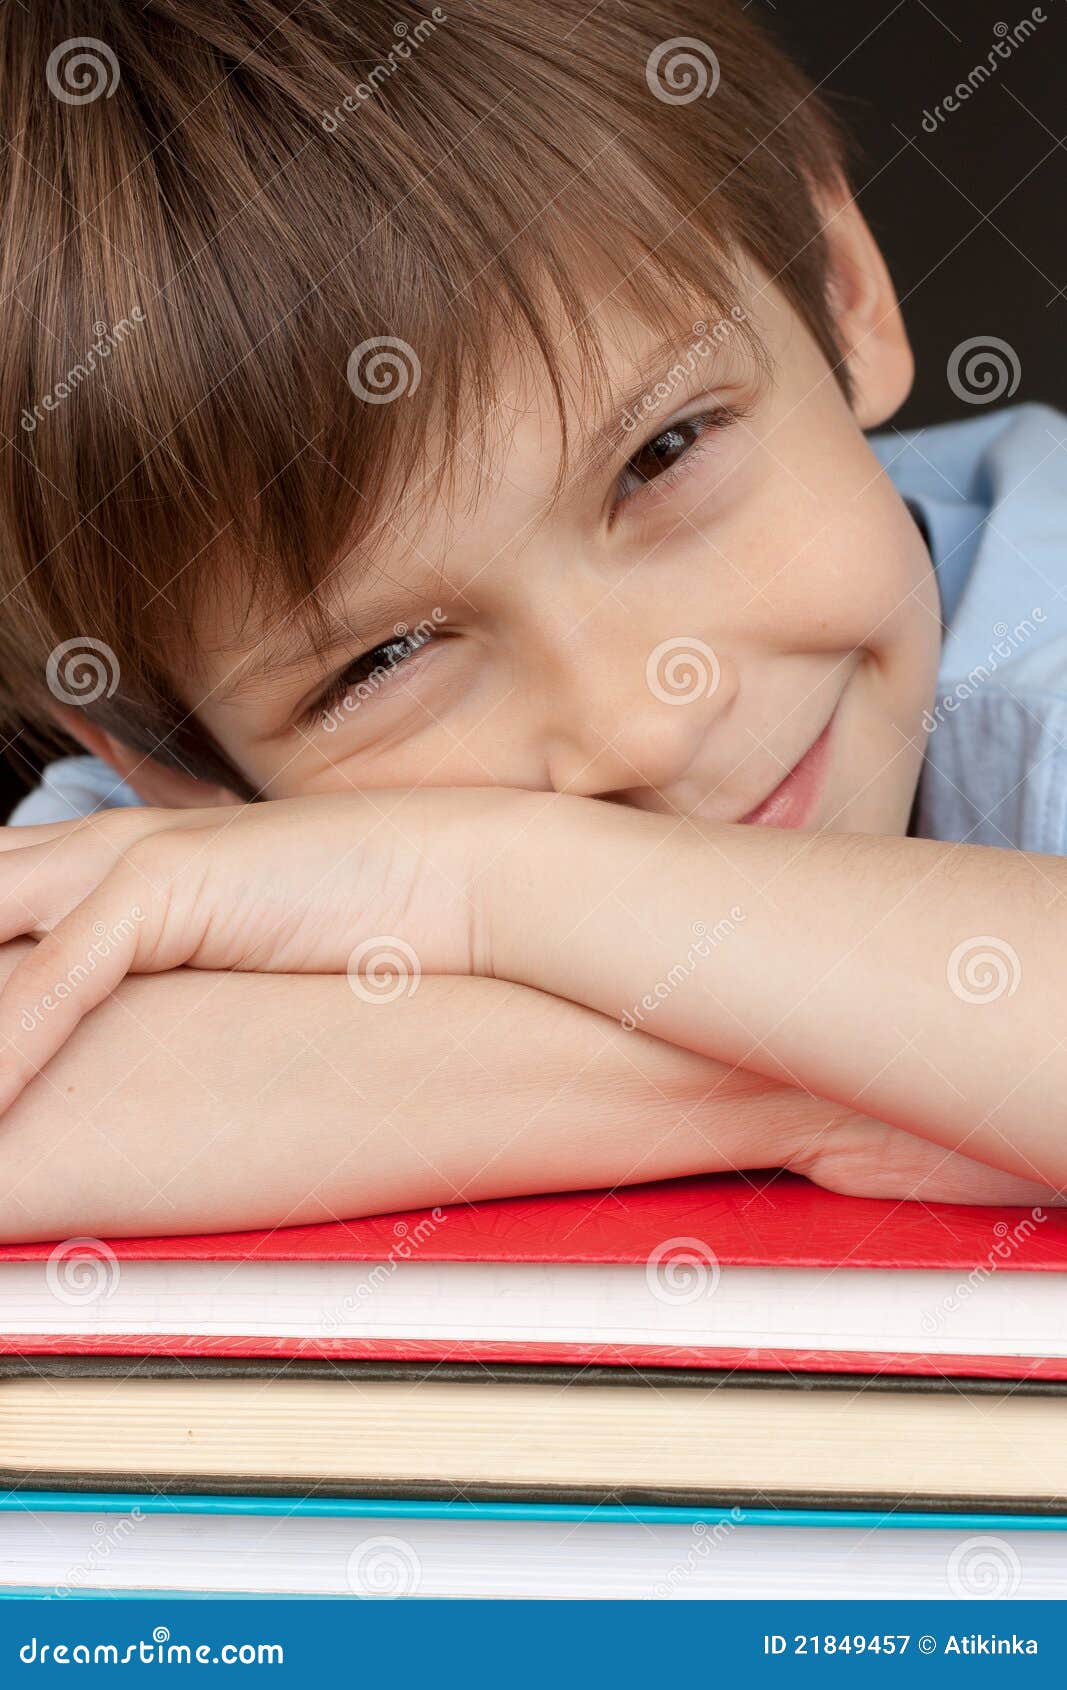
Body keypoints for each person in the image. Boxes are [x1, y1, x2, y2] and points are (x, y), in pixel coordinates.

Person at [0, 1, 1063, 1240]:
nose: (642, 727)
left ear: (839, 289)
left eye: (661, 455)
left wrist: (474, 878)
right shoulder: (185, 841)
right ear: (167, 765)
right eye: (385, 658)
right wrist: (860, 1070)